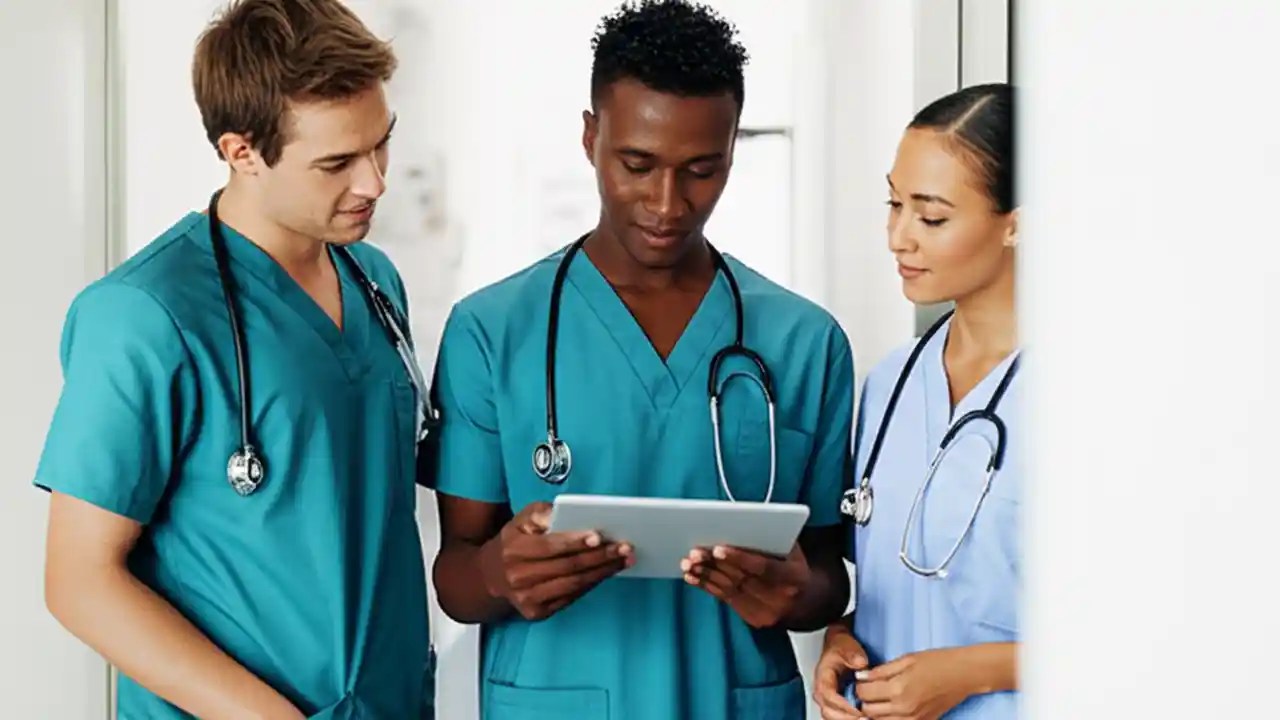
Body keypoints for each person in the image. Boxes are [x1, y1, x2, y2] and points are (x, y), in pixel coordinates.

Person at [428, 1, 854, 718]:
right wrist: (500, 574)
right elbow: (456, 576)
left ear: (731, 153)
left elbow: (827, 579)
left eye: (701, 170)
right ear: (590, 137)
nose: (667, 203)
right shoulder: (492, 331)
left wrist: (791, 593)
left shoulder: (803, 343)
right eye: (637, 164)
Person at [34, 1, 435, 717]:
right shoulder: (144, 316)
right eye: (337, 163)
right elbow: (80, 581)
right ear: (241, 152)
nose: (374, 182)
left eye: (381, 145)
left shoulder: (374, 282)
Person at [812, 83, 1021, 720]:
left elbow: (1152, 617)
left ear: (1018, 223)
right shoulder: (891, 383)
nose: (898, 238)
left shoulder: (1096, 396)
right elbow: (908, 587)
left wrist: (974, 671)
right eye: (894, 204)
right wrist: (842, 638)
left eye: (931, 218)